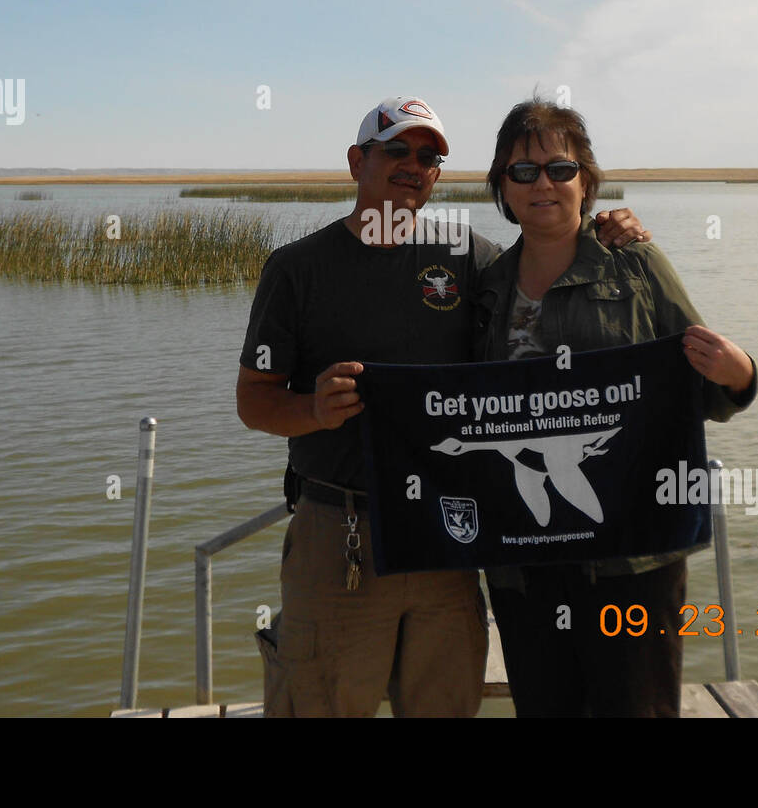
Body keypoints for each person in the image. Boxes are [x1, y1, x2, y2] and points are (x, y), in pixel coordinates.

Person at [235, 96, 650, 717]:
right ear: (357, 161)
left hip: (449, 532)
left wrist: (608, 236)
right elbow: (253, 402)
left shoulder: (468, 257)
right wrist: (315, 411)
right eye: (395, 149)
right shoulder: (297, 269)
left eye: (429, 156)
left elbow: (544, 276)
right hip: (340, 533)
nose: (413, 164)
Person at [473, 98, 758, 718]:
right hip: (523, 562)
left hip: (633, 556)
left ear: (588, 180)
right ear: (502, 186)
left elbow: (706, 390)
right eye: (522, 172)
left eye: (559, 168)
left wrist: (741, 374)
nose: (542, 184)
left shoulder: (635, 265)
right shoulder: (486, 289)